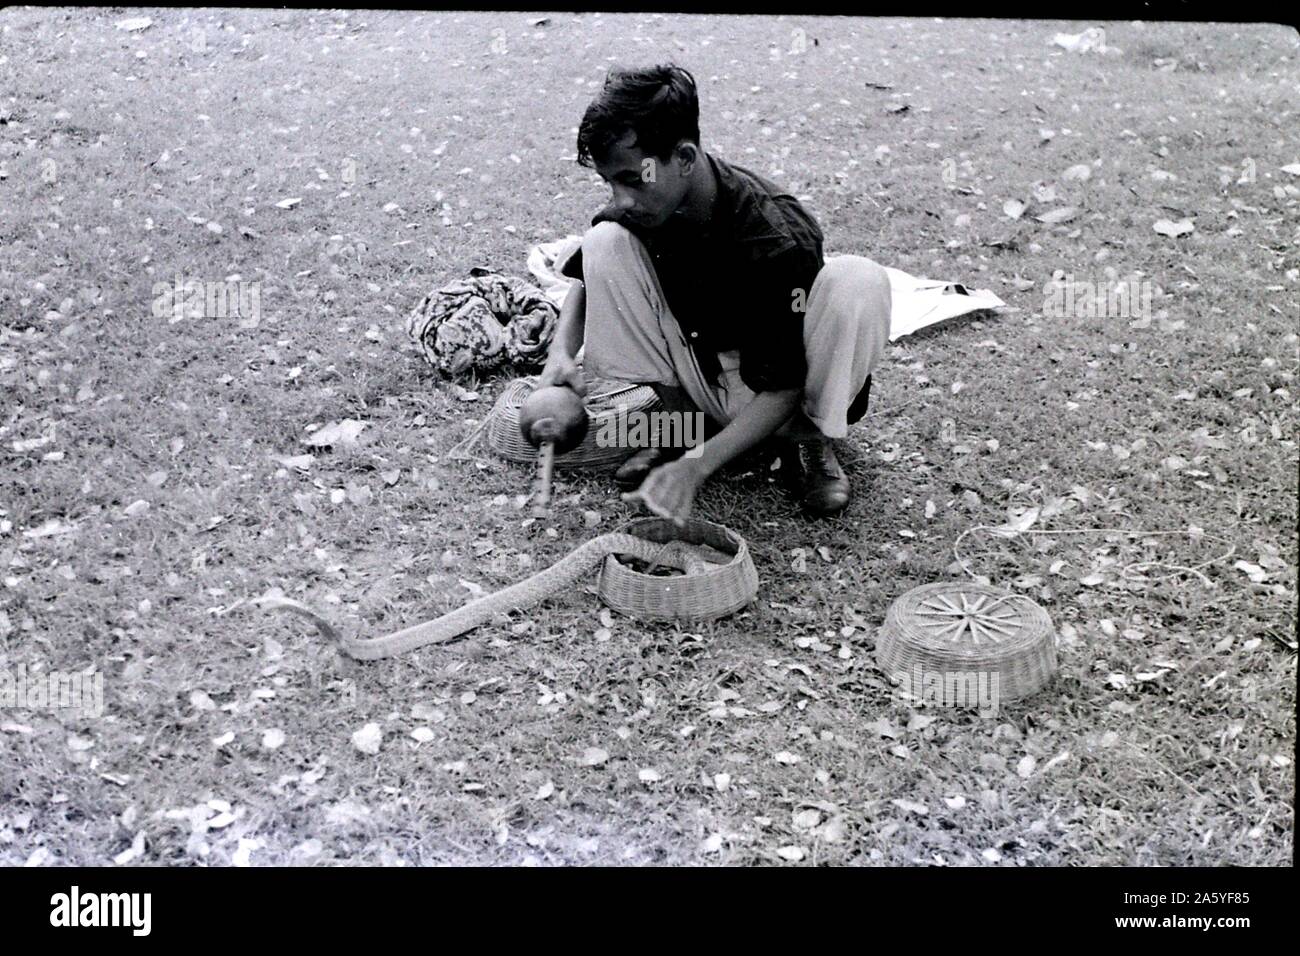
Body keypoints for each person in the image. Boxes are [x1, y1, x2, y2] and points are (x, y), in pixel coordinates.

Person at [538, 63, 891, 521]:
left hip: (784, 397)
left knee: (857, 281)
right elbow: (585, 280)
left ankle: (809, 444)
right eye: (610, 183)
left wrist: (697, 469)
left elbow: (783, 386)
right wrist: (561, 352)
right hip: (703, 386)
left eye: (631, 178)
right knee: (604, 241)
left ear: (684, 158)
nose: (619, 198)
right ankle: (682, 429)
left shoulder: (773, 236)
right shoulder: (648, 207)